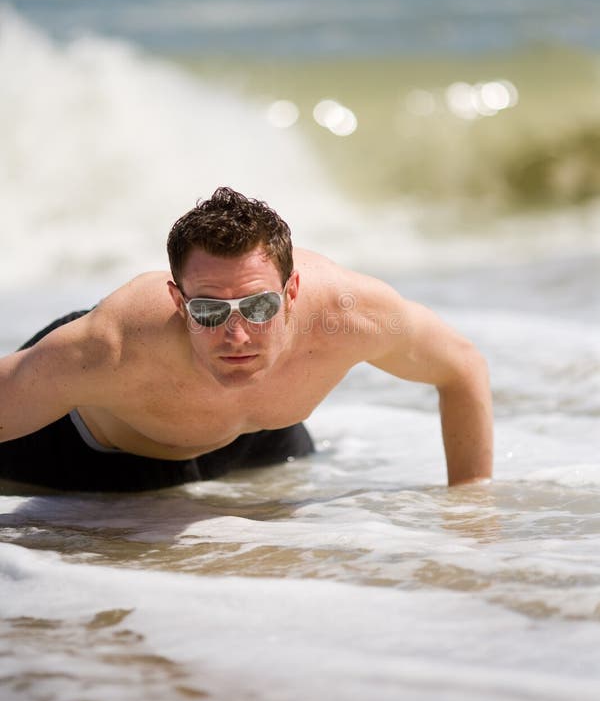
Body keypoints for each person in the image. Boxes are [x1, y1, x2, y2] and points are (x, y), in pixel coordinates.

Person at [0, 187, 493, 492]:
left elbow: (462, 368)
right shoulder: (110, 347)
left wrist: (474, 527)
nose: (236, 335)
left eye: (259, 308)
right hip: (94, 458)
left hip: (256, 441)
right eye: (210, 311)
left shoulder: (351, 315)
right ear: (179, 302)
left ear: (292, 291)